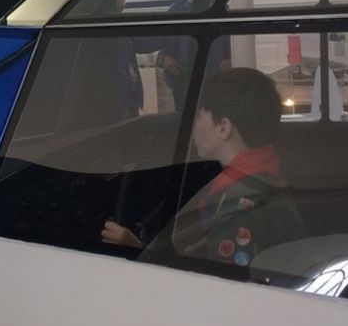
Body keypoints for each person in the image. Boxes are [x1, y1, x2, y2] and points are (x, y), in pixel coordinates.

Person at [101, 68, 305, 266]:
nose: (194, 126)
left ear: (224, 127)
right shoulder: (264, 175)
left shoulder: (237, 204)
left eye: (199, 116)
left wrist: (139, 252)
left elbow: (216, 278)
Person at [156, 0, 231, 110]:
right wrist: (166, 57)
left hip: (214, 78)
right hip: (182, 78)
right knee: (183, 116)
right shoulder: (176, 10)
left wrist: (230, 60)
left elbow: (231, 42)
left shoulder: (220, 9)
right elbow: (165, 41)